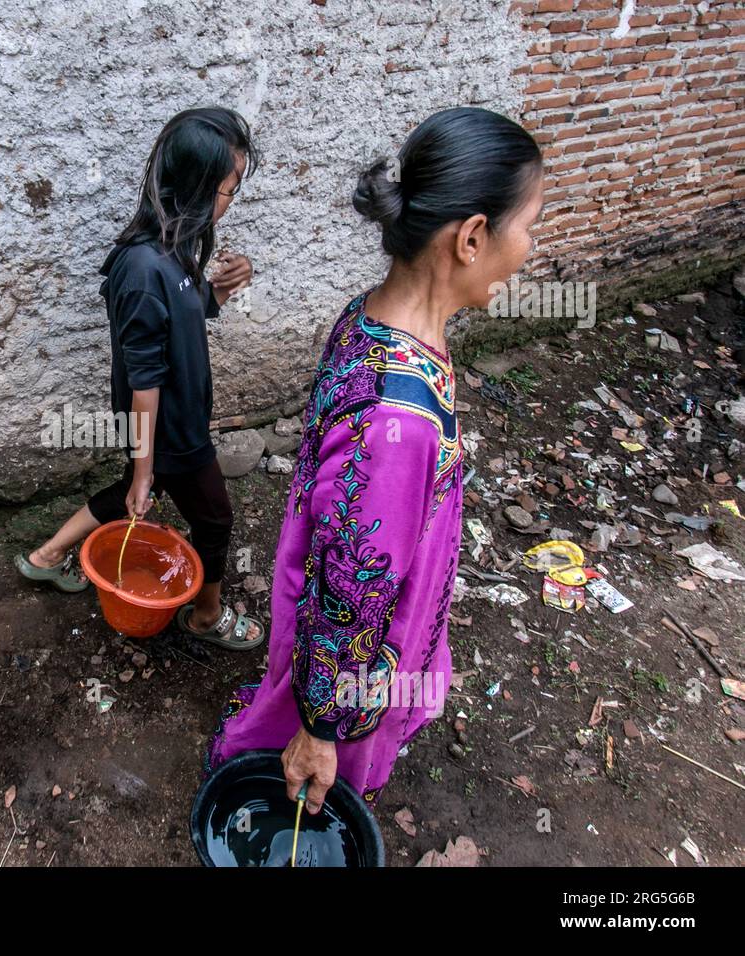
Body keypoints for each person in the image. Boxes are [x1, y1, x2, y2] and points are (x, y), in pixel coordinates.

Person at [207, 107, 545, 815]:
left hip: (345, 585)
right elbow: (353, 587)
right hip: (362, 638)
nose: (531, 248)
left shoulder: (373, 316)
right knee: (313, 770)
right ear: (473, 237)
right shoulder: (399, 419)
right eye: (530, 225)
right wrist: (322, 730)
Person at [14, 107, 264, 651]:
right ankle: (205, 615)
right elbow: (144, 377)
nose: (229, 201)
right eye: (227, 188)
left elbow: (185, 315)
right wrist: (146, 468)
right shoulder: (143, 269)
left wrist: (220, 290)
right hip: (168, 426)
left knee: (131, 495)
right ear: (194, 189)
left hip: (168, 421)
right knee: (215, 520)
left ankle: (48, 555)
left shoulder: (172, 251)